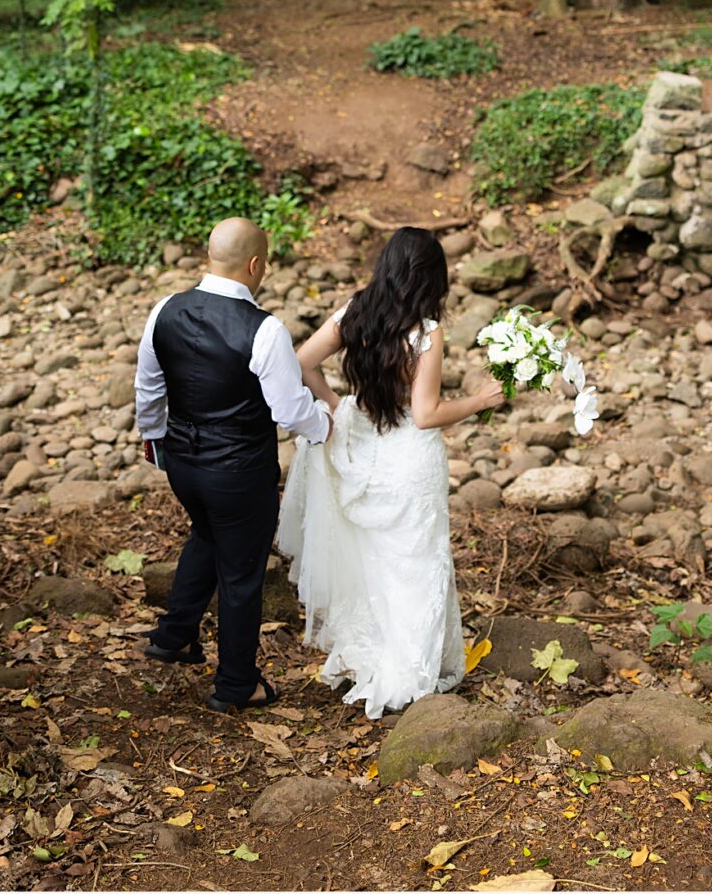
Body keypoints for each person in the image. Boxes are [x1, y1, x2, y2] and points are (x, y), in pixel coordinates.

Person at [275, 226, 509, 719]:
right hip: (410, 457)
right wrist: (481, 400)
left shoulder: (353, 312)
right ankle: (411, 667)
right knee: (417, 557)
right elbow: (425, 414)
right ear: (430, 278)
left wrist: (339, 406)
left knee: (373, 557)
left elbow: (301, 362)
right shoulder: (425, 332)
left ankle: (373, 653)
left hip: (363, 442)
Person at [134, 217, 330, 712]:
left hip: (183, 463)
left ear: (209, 256)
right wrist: (325, 424)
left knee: (206, 534)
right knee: (241, 575)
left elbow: (148, 388)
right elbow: (290, 411)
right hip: (239, 473)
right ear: (255, 264)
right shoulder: (264, 330)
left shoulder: (164, 310)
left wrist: (155, 440)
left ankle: (174, 635)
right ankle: (237, 683)